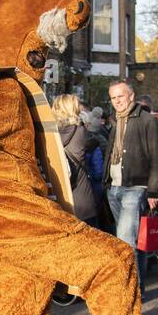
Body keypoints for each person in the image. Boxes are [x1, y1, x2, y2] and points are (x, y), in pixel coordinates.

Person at [105, 80, 158, 294]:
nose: (117, 101)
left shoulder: (148, 121)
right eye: (113, 97)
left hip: (136, 186)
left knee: (125, 239)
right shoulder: (116, 121)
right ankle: (137, 284)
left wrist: (154, 190)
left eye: (120, 96)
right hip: (115, 187)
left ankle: (130, 290)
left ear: (131, 96)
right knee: (129, 239)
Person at [52, 93, 98, 226]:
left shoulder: (49, 135)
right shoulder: (80, 131)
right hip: (82, 198)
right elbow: (95, 142)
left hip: (58, 198)